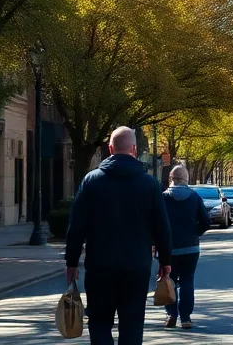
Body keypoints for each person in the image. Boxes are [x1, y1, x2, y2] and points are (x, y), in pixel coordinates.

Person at [65, 126, 172, 345]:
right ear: (134, 149)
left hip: (99, 266)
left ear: (110, 148)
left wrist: (71, 261)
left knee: (100, 323)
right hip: (136, 266)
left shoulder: (91, 181)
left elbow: (76, 226)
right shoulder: (149, 184)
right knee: (132, 325)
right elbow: (161, 226)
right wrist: (166, 260)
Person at [162, 165, 210, 331]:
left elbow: (155, 223)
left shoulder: (163, 198)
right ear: (186, 179)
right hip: (190, 248)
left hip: (168, 249)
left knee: (169, 280)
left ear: (171, 178)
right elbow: (206, 221)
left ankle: (171, 314)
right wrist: (195, 233)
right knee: (187, 281)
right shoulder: (195, 197)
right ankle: (186, 318)